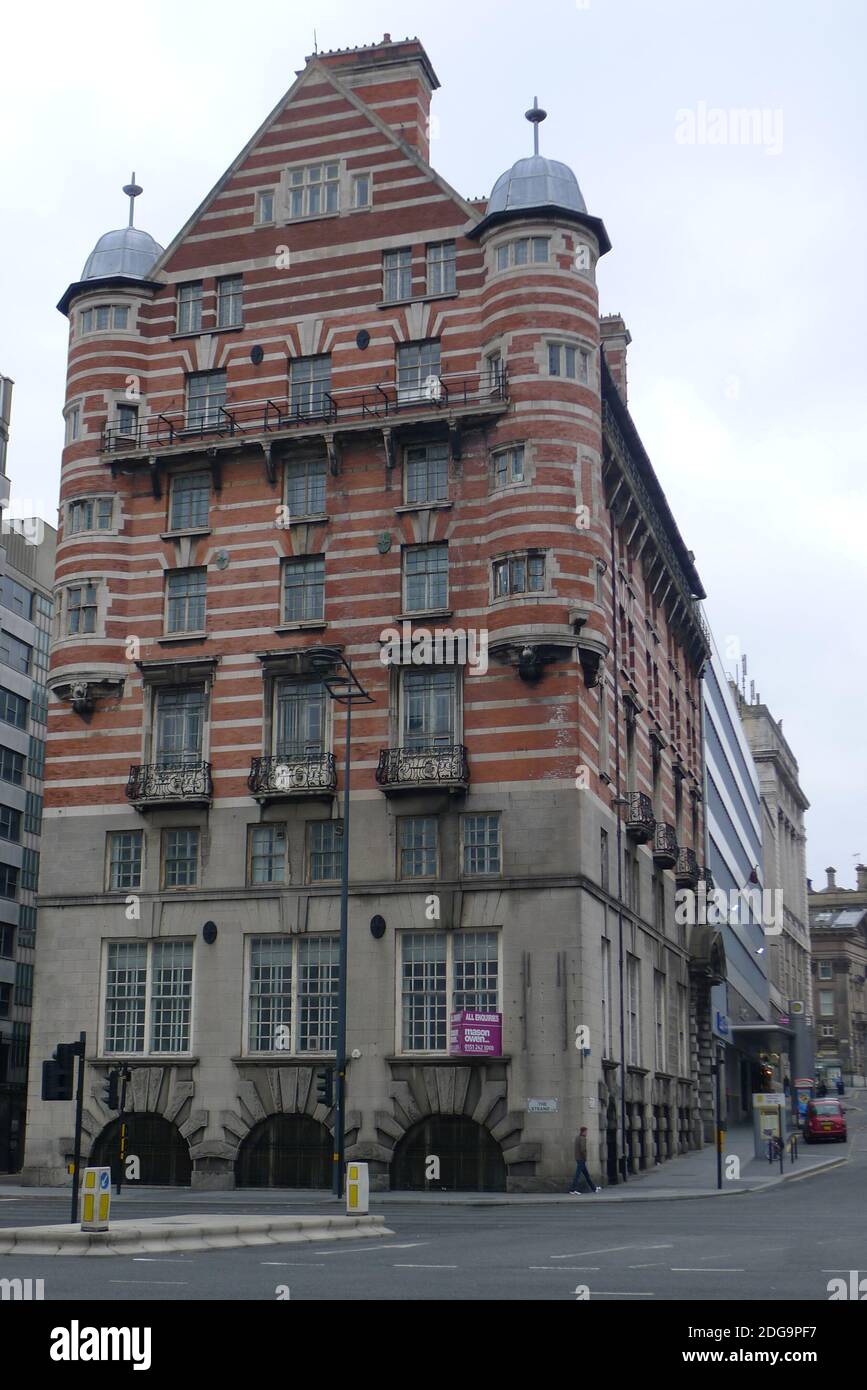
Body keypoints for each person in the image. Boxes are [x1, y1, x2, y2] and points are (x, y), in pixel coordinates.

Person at [568, 1127, 601, 1195]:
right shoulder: (583, 1138)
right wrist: (585, 1157)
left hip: (578, 1158)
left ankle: (594, 1188)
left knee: (586, 1175)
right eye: (586, 1132)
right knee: (577, 1175)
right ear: (583, 1132)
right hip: (581, 1159)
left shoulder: (577, 1138)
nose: (586, 1133)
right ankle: (572, 1189)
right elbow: (583, 1149)